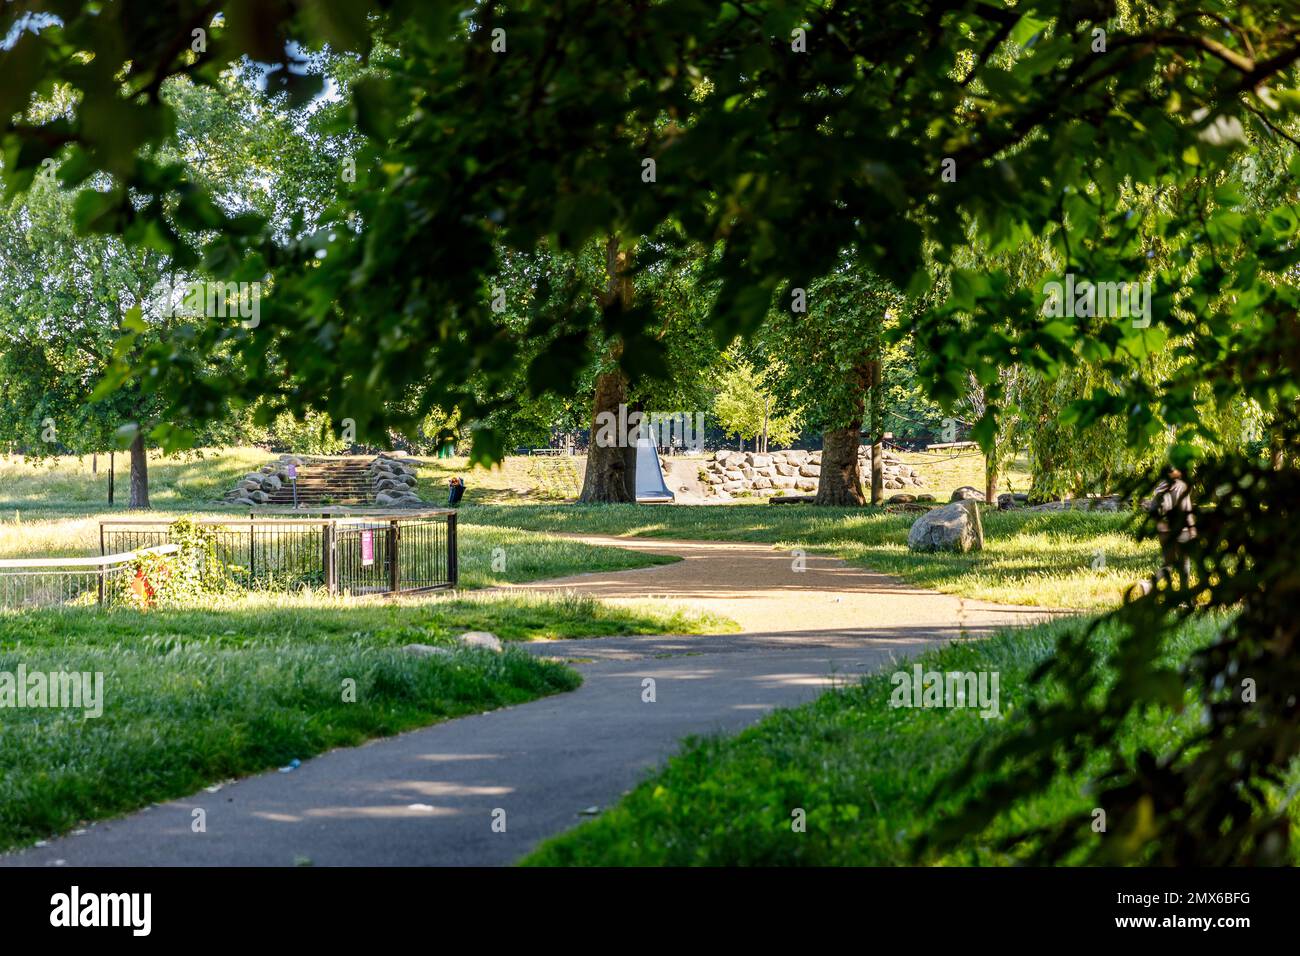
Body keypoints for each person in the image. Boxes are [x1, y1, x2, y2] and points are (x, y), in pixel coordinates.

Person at [1144, 466, 1195, 591]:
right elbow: (1186, 510)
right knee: (1185, 564)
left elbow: (1153, 511)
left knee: (1169, 564)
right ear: (1175, 473)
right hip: (1181, 531)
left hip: (1164, 532)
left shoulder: (1159, 488)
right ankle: (1184, 595)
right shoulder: (1181, 486)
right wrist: (1192, 530)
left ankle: (1149, 585)